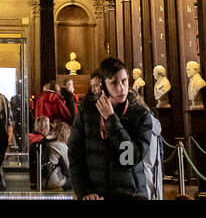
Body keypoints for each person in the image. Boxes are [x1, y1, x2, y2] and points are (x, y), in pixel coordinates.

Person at [67, 56, 152, 200]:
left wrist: (112, 120)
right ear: (104, 85)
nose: (121, 88)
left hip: (131, 194)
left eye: (124, 81)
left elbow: (130, 159)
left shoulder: (140, 114)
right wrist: (83, 191)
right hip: (96, 194)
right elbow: (75, 153)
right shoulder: (87, 112)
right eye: (113, 83)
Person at [42, 120, 71, 191]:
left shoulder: (48, 144)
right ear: (66, 134)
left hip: (41, 181)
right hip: (54, 181)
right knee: (76, 182)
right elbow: (69, 167)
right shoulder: (62, 146)